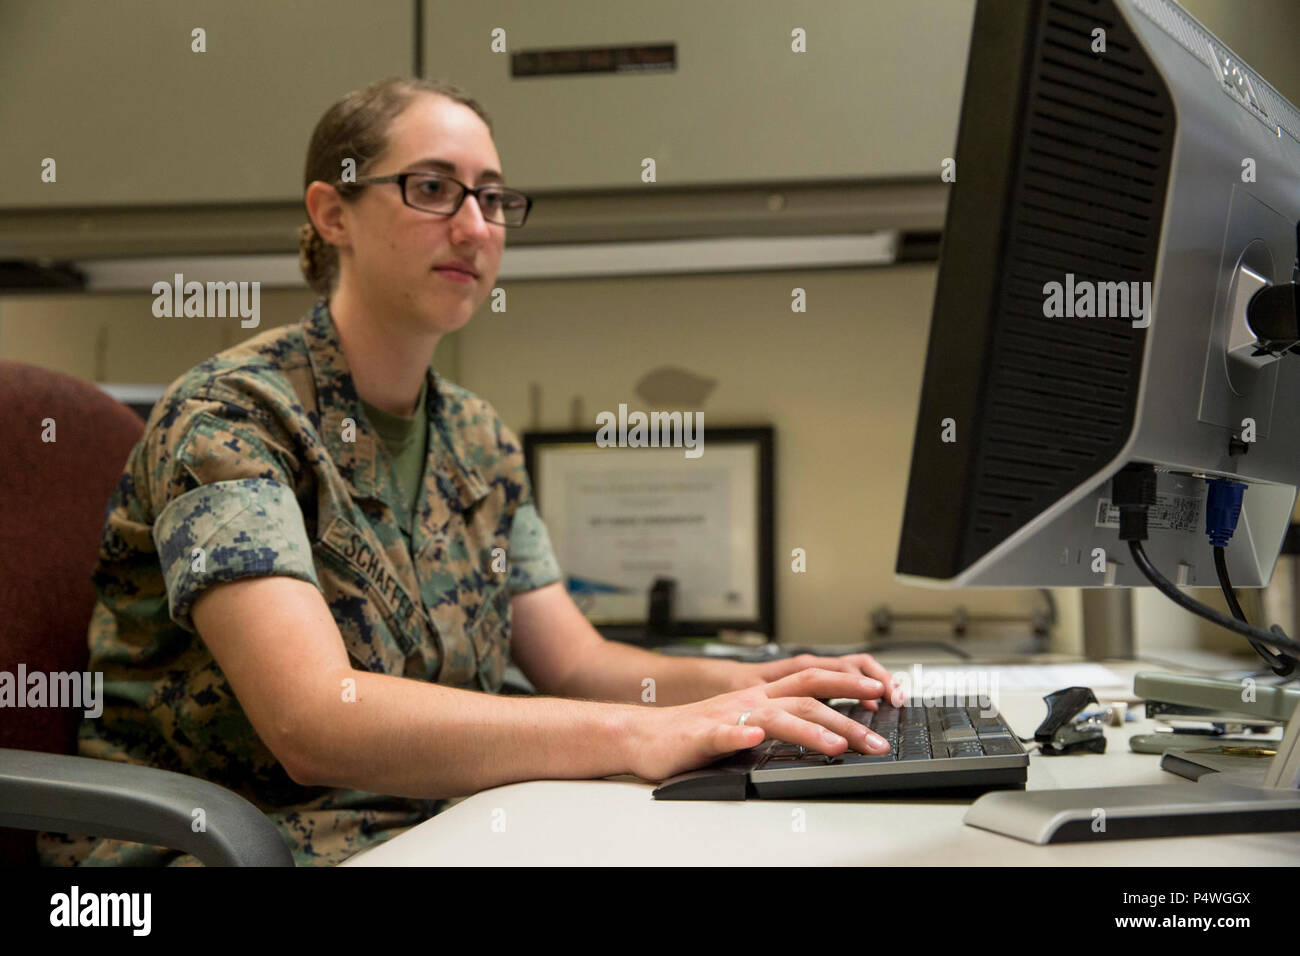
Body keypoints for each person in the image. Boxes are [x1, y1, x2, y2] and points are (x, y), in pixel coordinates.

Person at [37, 77, 901, 867]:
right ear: (332, 212)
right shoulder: (233, 416)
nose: (475, 224)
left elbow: (578, 662)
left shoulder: (479, 439)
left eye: (491, 198)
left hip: (436, 827)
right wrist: (641, 733)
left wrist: (764, 686)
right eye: (432, 188)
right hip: (233, 849)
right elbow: (313, 720)